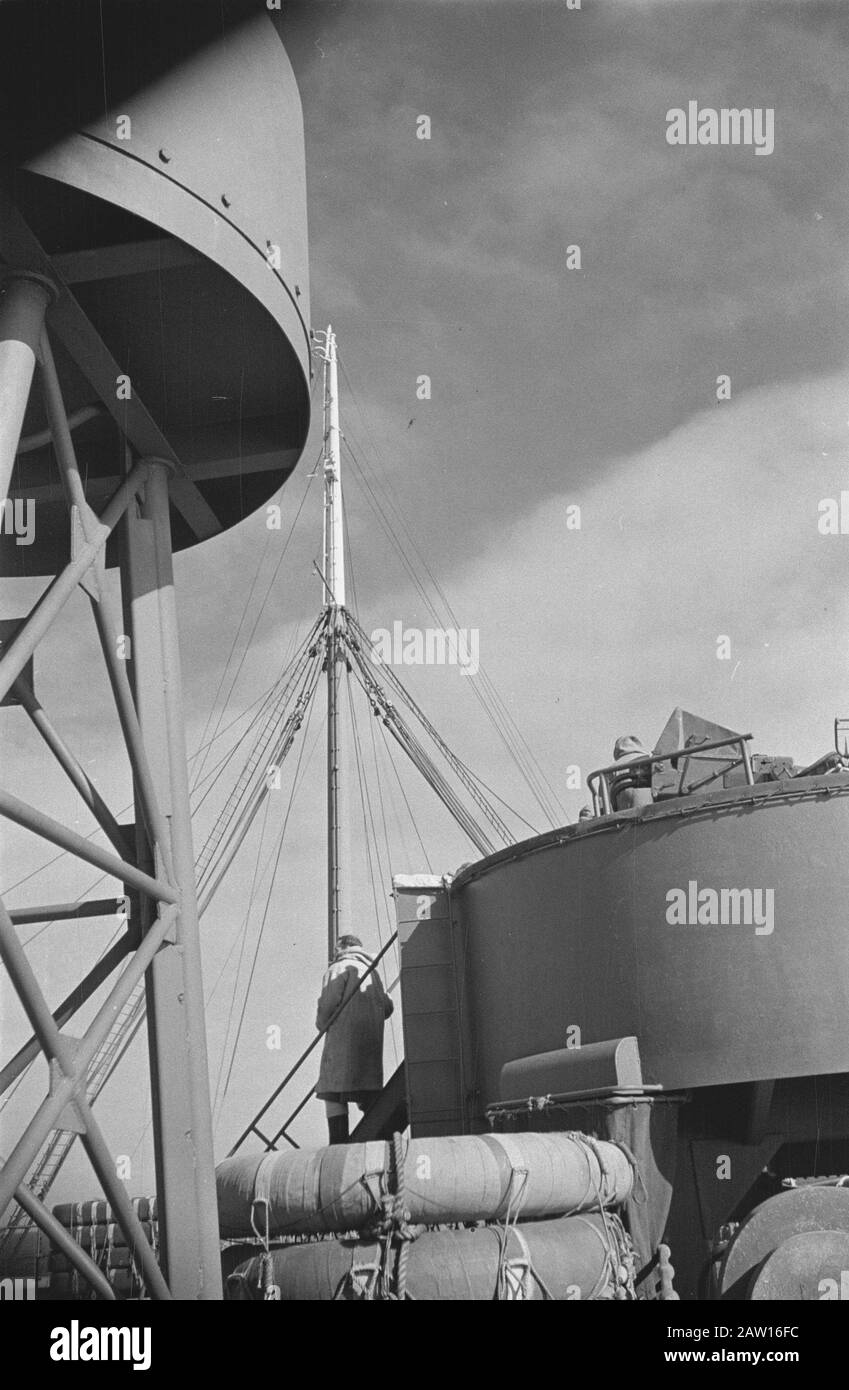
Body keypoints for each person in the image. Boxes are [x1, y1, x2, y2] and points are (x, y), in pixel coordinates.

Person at [315, 934, 394, 1145]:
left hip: (343, 1043)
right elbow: (388, 1007)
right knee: (367, 1092)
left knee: (331, 1091)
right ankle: (381, 1141)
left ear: (341, 948)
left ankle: (338, 1144)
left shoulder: (338, 968)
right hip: (370, 1044)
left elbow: (327, 1004)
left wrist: (322, 1025)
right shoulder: (373, 972)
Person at [609, 734, 653, 811]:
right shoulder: (651, 760)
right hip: (653, 805)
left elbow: (604, 803)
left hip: (625, 811)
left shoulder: (609, 770)